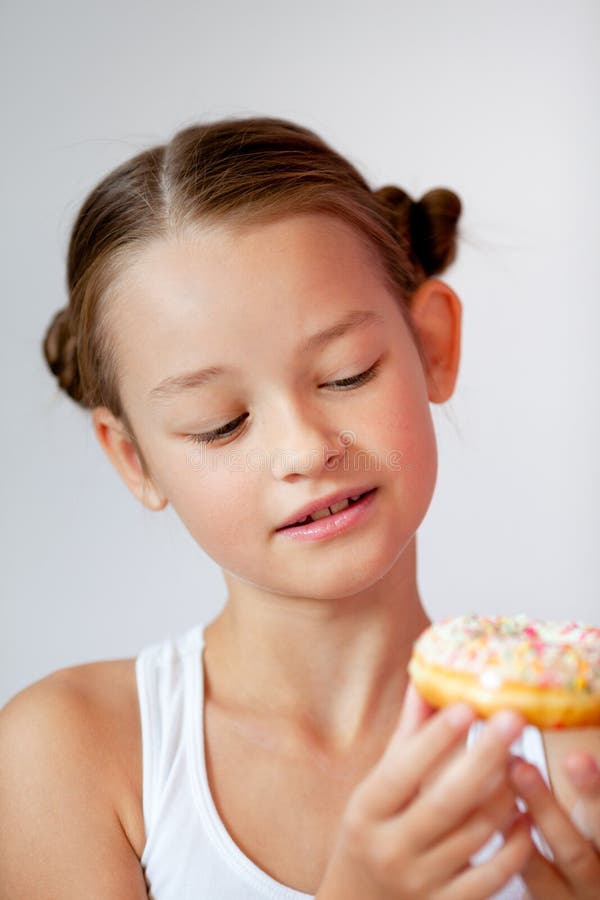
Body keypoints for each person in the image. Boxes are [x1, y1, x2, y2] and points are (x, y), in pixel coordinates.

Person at [0, 116, 598, 900]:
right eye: (221, 422)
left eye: (347, 374)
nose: (305, 449)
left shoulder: (573, 748)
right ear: (133, 458)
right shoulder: (68, 756)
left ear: (433, 346)